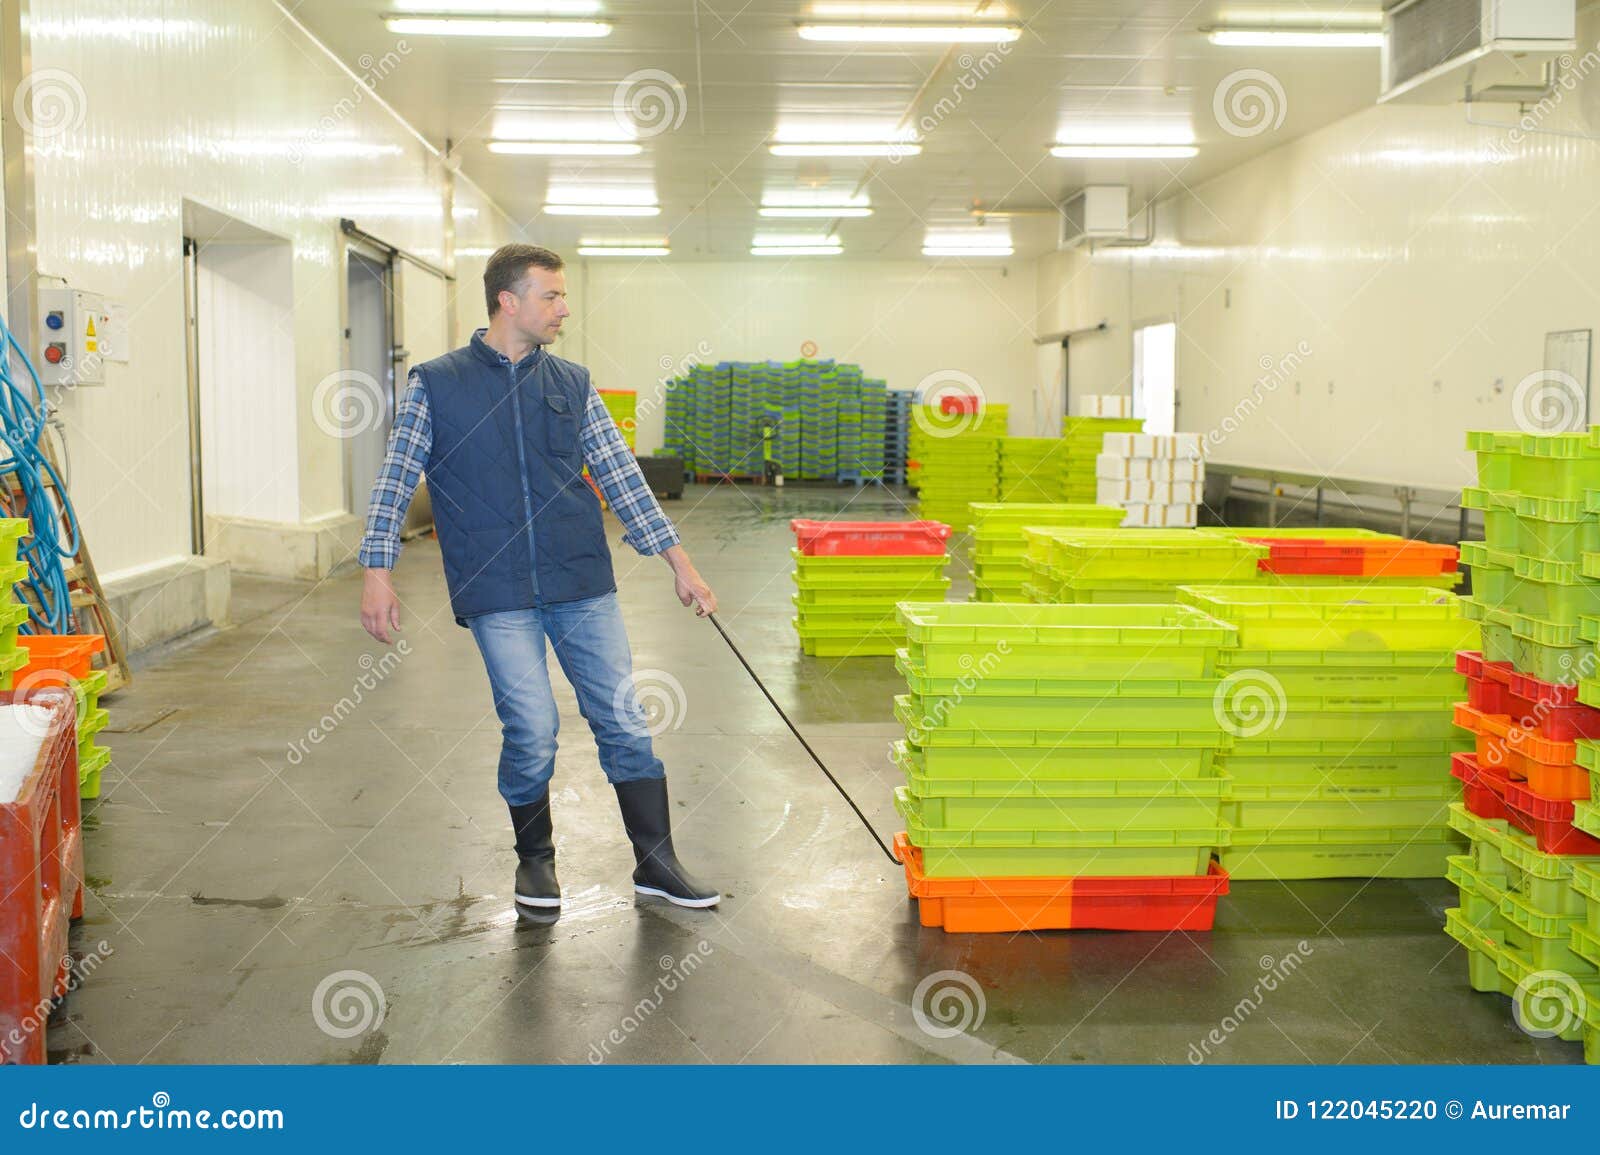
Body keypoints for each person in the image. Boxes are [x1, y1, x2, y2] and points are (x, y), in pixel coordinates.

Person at [356, 243, 720, 920]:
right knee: (532, 725)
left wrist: (680, 563)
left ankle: (656, 860)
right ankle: (537, 856)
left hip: (580, 577)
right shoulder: (437, 384)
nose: (563, 309)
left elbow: (620, 476)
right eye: (551, 295)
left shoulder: (572, 384)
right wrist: (377, 571)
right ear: (508, 300)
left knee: (621, 718)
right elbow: (395, 480)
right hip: (496, 588)